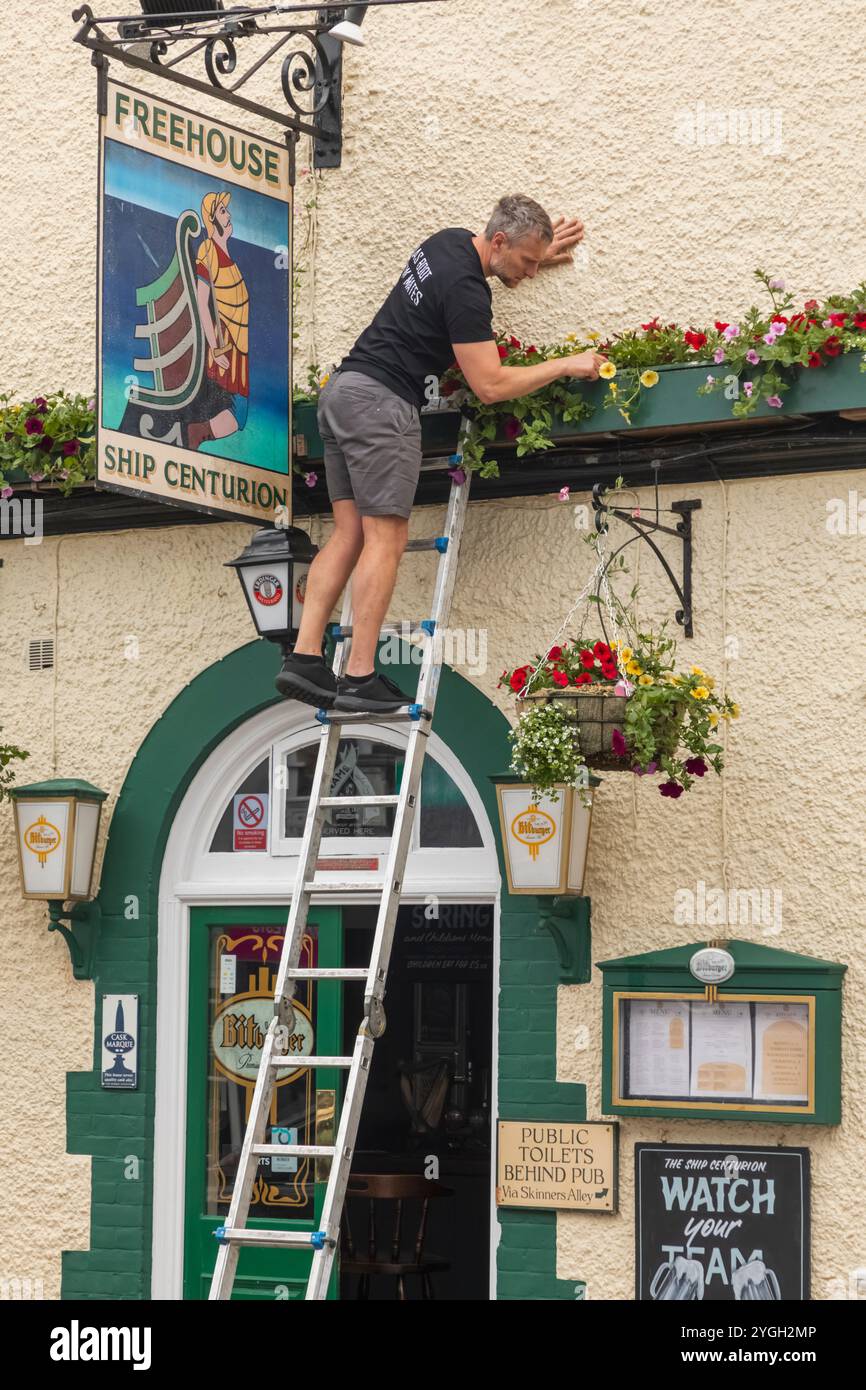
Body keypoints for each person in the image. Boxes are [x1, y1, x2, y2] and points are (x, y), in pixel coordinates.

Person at [276, 194, 608, 713]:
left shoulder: (448, 243)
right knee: (386, 537)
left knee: (348, 533)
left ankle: (303, 658)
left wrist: (535, 258)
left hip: (342, 394)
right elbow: (490, 384)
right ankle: (360, 675)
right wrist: (565, 364)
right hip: (383, 407)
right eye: (524, 262)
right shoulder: (468, 291)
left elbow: (457, 296)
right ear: (499, 241)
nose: (525, 275)